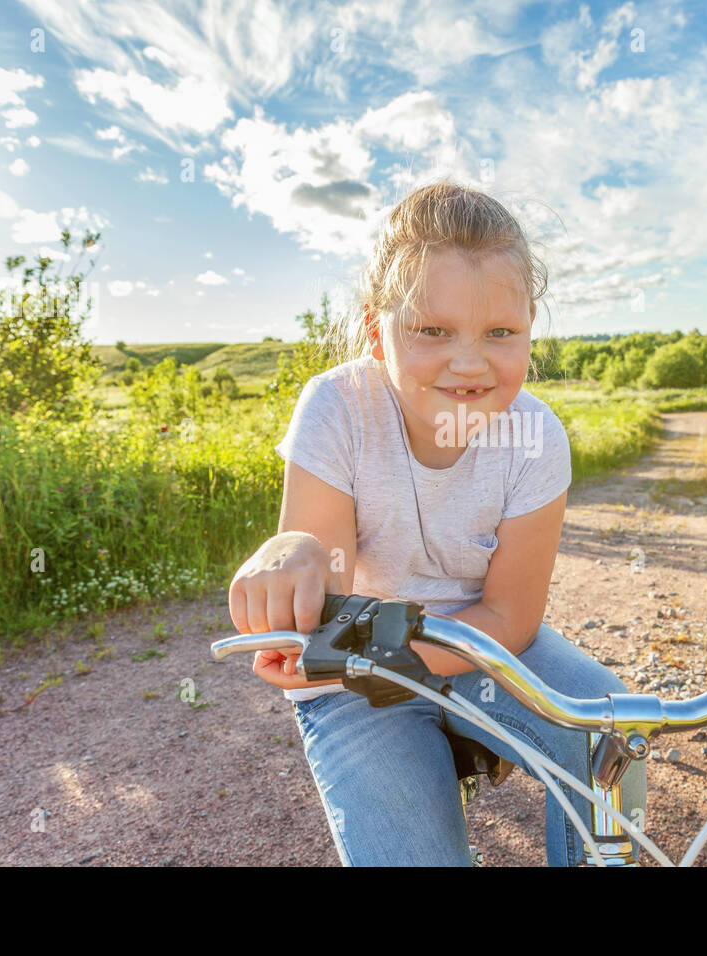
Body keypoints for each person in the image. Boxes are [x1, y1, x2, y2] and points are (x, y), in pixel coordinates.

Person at [227, 179, 646, 866]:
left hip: (488, 646)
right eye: (432, 330)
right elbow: (321, 590)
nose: (470, 361)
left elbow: (510, 617)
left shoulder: (537, 438)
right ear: (375, 331)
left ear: (530, 330)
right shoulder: (337, 406)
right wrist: (291, 553)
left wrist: (410, 660)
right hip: (354, 675)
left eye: (500, 333)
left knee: (616, 735)